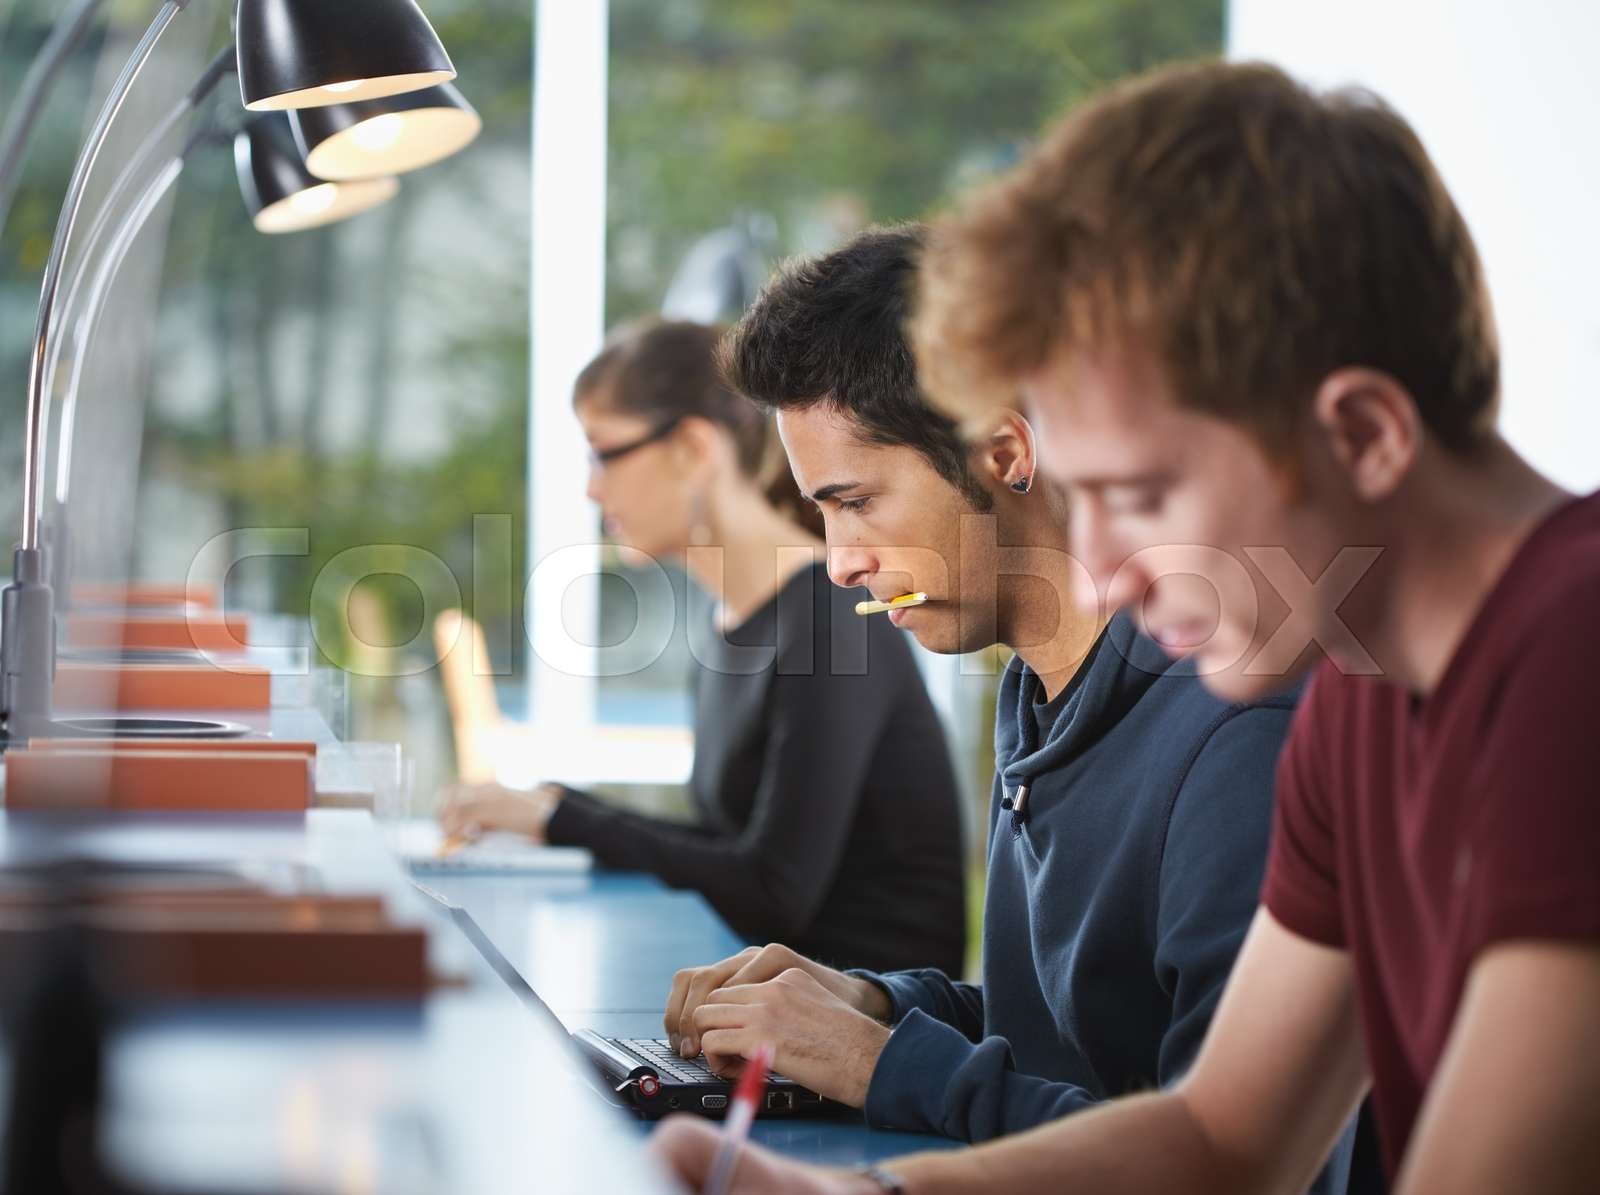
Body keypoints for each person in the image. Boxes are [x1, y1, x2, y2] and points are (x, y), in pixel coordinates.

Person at [651, 61, 1600, 1194]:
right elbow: (1223, 1138)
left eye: (1141, 495)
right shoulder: (1359, 690)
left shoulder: (1569, 660)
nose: (1094, 567)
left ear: (1361, 433)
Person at [660, 229, 1367, 1191]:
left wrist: (880, 1063)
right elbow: (1064, 1037)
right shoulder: (1037, 688)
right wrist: (868, 1000)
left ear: (1004, 450)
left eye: (855, 501)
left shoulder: (1241, 729)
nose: (838, 559)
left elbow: (1229, 1152)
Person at [439, 319, 966, 975]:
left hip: (862, 1035)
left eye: (603, 453)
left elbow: (774, 890)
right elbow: (727, 846)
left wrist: (561, 818)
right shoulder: (732, 618)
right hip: (769, 1002)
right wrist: (552, 803)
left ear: (692, 446)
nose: (590, 487)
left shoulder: (833, 618)